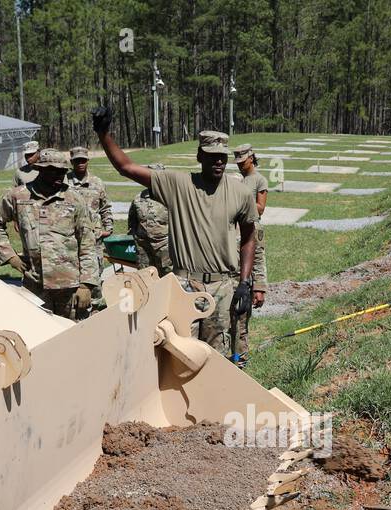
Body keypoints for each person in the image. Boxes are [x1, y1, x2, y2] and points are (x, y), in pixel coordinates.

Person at [91, 107, 258, 359]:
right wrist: (104, 134)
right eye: (212, 156)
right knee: (178, 355)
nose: (219, 162)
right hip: (183, 286)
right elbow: (126, 167)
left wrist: (244, 283)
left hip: (222, 287)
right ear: (200, 156)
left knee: (215, 360)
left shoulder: (241, 193)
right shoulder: (178, 184)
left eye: (223, 157)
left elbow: (248, 238)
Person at [0, 149, 97, 320]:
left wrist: (86, 284)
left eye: (62, 171)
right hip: (35, 284)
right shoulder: (18, 196)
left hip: (69, 285)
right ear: (41, 169)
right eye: (54, 170)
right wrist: (9, 256)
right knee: (37, 336)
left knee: (72, 336)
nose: (59, 176)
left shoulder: (74, 199)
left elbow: (87, 242)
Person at [233, 144, 268, 311]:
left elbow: (261, 208)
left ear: (251, 158)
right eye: (238, 162)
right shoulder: (237, 179)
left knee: (255, 257)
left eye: (243, 161)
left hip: (253, 225)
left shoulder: (259, 180)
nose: (240, 164)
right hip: (236, 227)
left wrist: (242, 201)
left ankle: (255, 289)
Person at [127, 163, 172, 276]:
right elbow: (132, 221)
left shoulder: (172, 197)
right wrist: (137, 238)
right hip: (144, 247)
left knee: (168, 277)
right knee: (145, 277)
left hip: (165, 247)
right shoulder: (138, 198)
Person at [67, 146, 113, 239]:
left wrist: (108, 229)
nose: (80, 164)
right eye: (77, 161)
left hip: (94, 235)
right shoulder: (64, 182)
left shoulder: (97, 183)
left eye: (83, 160)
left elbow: (105, 208)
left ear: (88, 161)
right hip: (70, 236)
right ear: (71, 162)